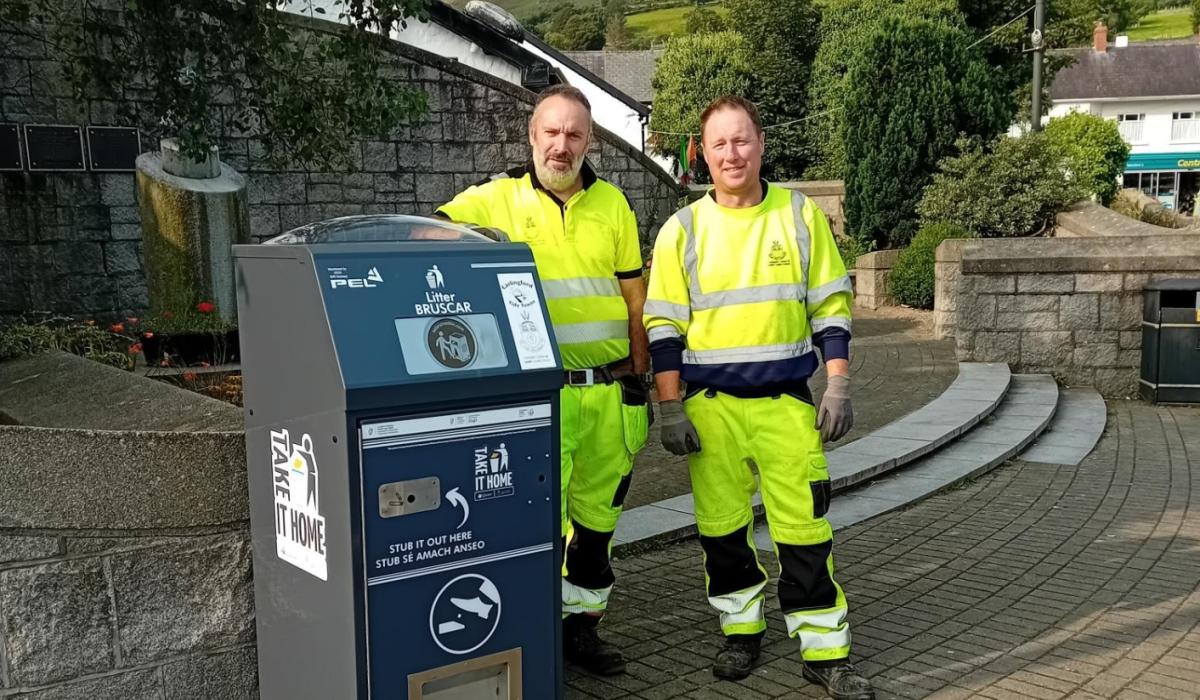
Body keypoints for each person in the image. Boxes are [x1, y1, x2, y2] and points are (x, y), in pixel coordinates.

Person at [643, 95, 873, 700]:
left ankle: (825, 651)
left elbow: (831, 307)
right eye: (718, 143)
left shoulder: (797, 217)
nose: (731, 153)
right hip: (710, 412)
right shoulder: (683, 230)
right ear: (702, 154)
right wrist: (670, 407)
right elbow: (663, 326)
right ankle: (740, 631)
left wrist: (839, 383)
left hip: (787, 409)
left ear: (761, 143)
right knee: (721, 531)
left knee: (804, 531)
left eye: (740, 140)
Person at [435, 84, 650, 676]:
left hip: (611, 394)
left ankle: (581, 631)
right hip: (541, 400)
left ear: (589, 141)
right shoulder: (496, 198)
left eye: (575, 134)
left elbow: (636, 300)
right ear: (532, 136)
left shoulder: (614, 205)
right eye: (551, 132)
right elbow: (430, 233)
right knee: (535, 527)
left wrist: (641, 378)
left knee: (597, 525)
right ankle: (531, 636)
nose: (562, 145)